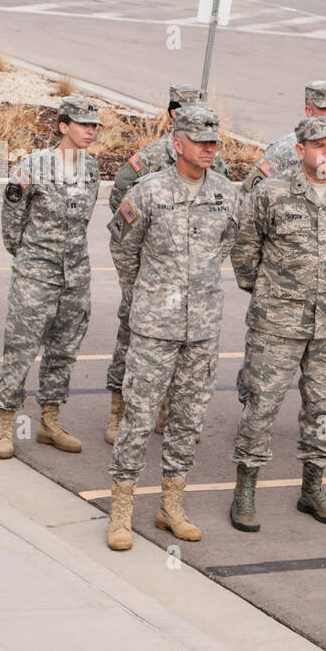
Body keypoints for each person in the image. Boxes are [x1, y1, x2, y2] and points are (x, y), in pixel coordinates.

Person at [106, 106, 238, 551]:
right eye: (200, 141)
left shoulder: (226, 194)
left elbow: (227, 244)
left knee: (187, 419)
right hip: (154, 329)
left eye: (213, 142)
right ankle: (121, 510)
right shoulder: (148, 192)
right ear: (177, 143)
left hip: (201, 329)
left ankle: (170, 505)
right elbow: (124, 251)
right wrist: (148, 293)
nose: (208, 149)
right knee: (139, 417)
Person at [228, 117, 326, 531]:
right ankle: (246, 490)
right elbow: (244, 252)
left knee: (325, 409)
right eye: (320, 145)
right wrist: (272, 295)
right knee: (262, 404)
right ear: (300, 150)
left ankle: (313, 487)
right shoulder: (271, 193)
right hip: (277, 324)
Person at [241, 79, 326, 445]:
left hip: (325, 294)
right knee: (265, 378)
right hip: (282, 292)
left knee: (324, 380)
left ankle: (323, 423)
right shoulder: (282, 152)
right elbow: (250, 209)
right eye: (325, 109)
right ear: (308, 109)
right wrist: (264, 280)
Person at [104, 83, 228, 445]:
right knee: (131, 338)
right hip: (151, 275)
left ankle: (168, 412)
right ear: (174, 115)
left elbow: (222, 221)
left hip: (187, 279)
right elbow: (121, 202)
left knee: (185, 345)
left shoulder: (212, 161)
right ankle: (119, 410)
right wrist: (141, 271)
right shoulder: (151, 158)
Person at [0, 95, 103, 460]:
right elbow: (12, 219)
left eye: (94, 125)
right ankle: (5, 423)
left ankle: (50, 421)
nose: (91, 131)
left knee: (63, 351)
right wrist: (27, 256)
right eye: (83, 124)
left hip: (76, 275)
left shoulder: (91, 169)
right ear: (63, 126)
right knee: (21, 349)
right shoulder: (32, 166)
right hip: (36, 273)